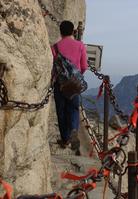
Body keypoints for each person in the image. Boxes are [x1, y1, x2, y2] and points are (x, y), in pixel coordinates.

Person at [51, 20, 88, 155]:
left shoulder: (55, 47)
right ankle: (73, 130)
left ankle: (65, 139)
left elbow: (53, 68)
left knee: (61, 112)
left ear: (60, 32)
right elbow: (84, 66)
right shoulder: (80, 45)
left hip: (60, 85)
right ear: (73, 31)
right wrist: (76, 77)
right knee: (73, 109)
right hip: (74, 85)